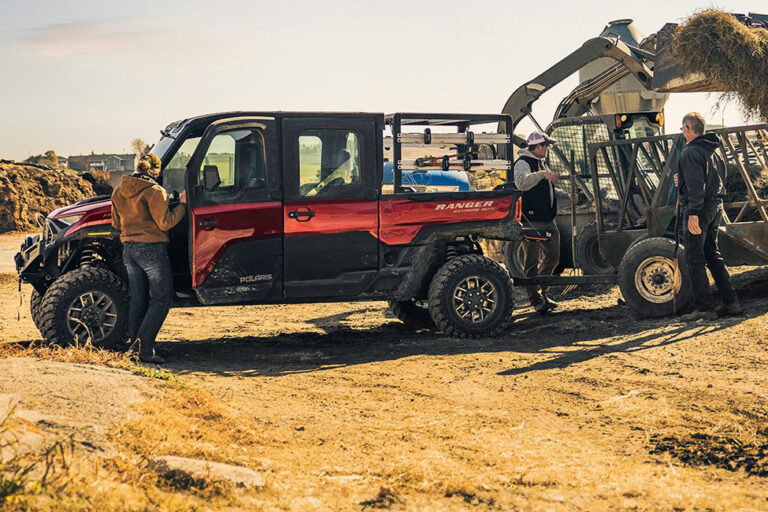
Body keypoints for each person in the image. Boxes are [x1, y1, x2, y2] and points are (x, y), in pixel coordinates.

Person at [111, 154, 187, 363]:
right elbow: (165, 222)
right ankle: (144, 350)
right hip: (151, 249)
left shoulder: (118, 190)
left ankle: (134, 349)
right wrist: (182, 205)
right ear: (156, 171)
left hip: (129, 250)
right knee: (162, 299)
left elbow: (116, 224)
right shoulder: (155, 191)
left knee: (138, 300)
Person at [676, 112, 742, 321]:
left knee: (694, 258)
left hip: (700, 209)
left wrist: (693, 213)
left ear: (688, 128)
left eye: (682, 129)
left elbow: (697, 186)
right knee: (712, 254)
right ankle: (731, 302)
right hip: (716, 207)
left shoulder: (690, 152)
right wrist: (683, 181)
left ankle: (704, 308)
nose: (682, 133)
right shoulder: (713, 151)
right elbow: (714, 181)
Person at [514, 131, 574, 314]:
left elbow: (548, 191)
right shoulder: (523, 163)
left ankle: (543, 293)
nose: (548, 149)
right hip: (530, 220)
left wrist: (566, 196)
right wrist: (542, 174)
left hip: (547, 219)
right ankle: (536, 300)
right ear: (538, 146)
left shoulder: (541, 163)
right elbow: (520, 183)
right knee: (531, 261)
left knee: (553, 257)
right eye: (546, 146)